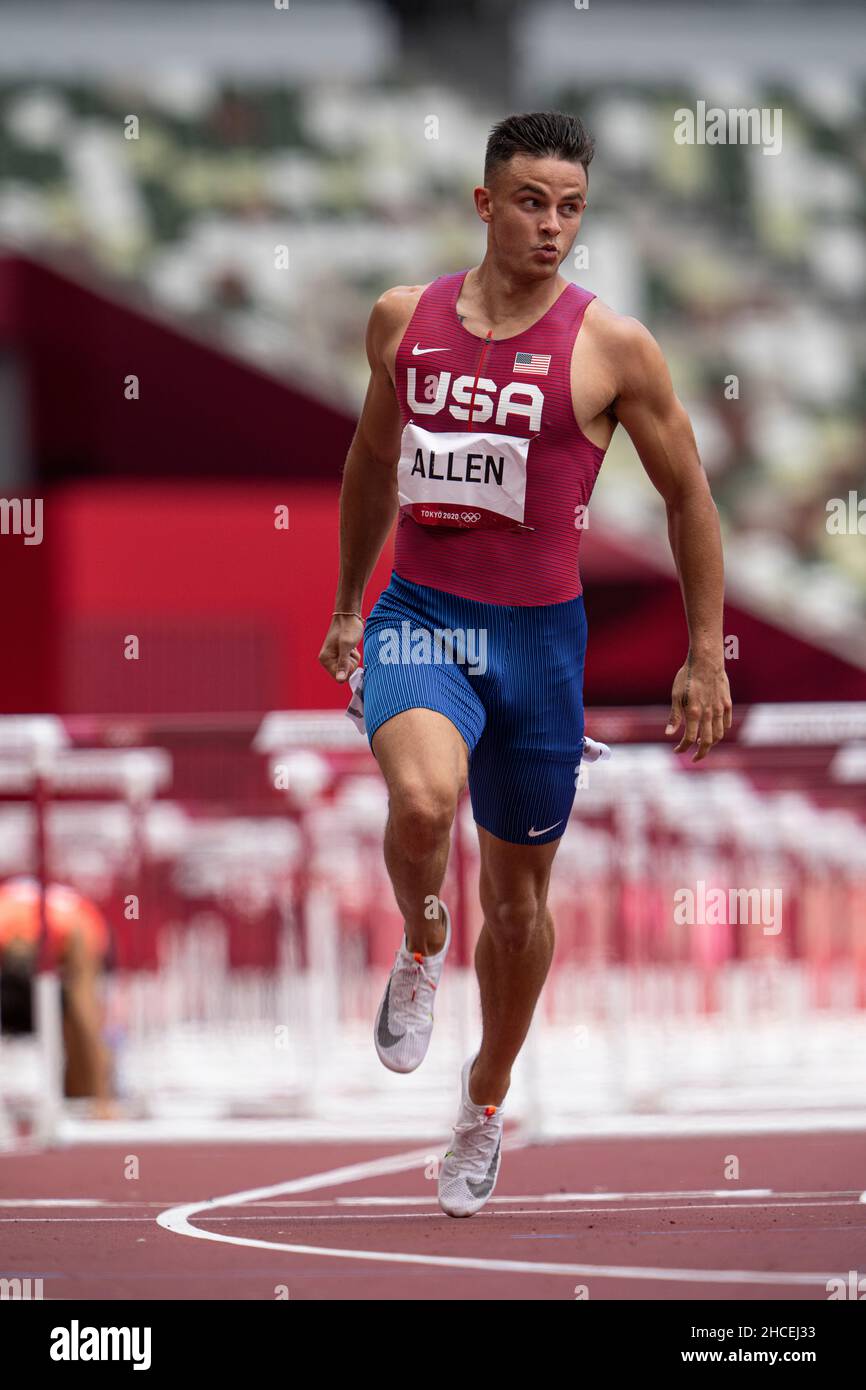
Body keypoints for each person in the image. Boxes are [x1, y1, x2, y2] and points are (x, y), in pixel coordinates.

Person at [318, 110, 732, 1217]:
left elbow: (689, 496)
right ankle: (416, 940)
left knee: (515, 908)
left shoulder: (612, 347)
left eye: (570, 208)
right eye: (531, 202)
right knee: (418, 798)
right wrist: (348, 607)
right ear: (484, 203)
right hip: (421, 617)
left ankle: (484, 1098)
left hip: (540, 648)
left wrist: (703, 654)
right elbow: (369, 459)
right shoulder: (402, 321)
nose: (551, 225)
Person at [0, 876, 115, 1114]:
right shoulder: (77, 917)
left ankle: (91, 1094)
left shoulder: (78, 921)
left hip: (63, 944)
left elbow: (87, 1016)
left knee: (81, 1006)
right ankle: (93, 1096)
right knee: (82, 1008)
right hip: (45, 946)